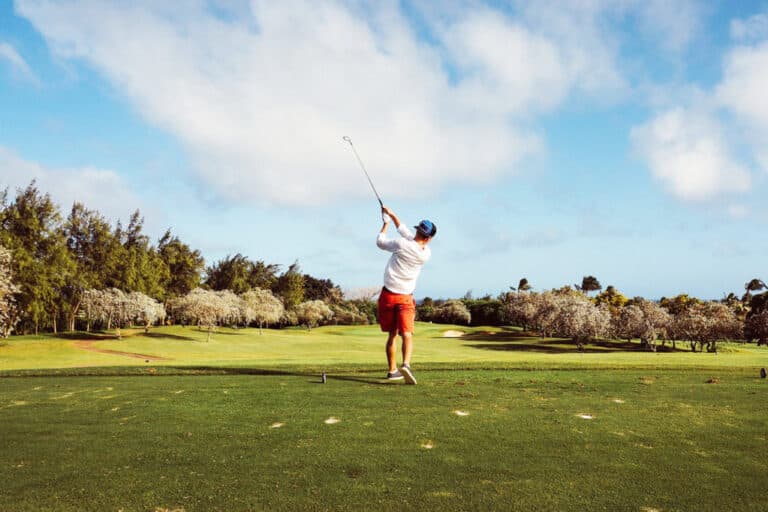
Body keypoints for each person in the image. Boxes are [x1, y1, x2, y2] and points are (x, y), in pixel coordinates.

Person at [376, 205, 436, 385]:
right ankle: (407, 365)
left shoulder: (402, 244)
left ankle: (392, 371)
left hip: (388, 295)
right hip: (405, 298)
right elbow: (405, 233)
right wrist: (392, 215)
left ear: (418, 231)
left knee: (392, 335)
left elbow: (380, 241)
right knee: (407, 333)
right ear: (429, 238)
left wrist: (385, 223)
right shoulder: (426, 253)